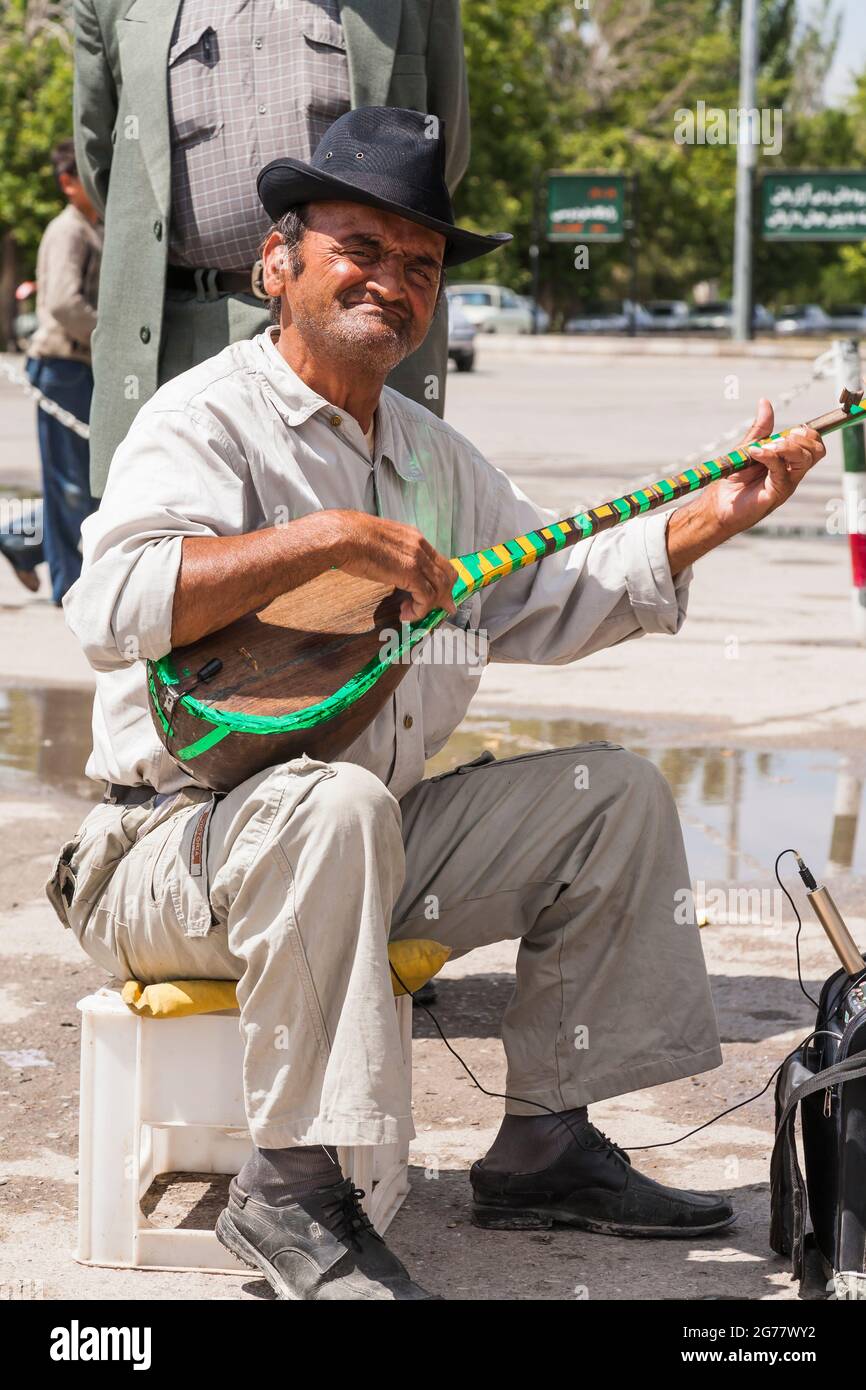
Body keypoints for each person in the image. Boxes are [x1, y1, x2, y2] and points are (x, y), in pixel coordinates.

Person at [55, 108, 825, 1301]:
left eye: (418, 265)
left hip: (354, 838)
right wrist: (318, 542)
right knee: (333, 805)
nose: (393, 281)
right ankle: (293, 1187)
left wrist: (708, 520)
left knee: (605, 797)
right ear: (281, 262)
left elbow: (548, 590)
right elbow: (107, 602)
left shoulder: (429, 452)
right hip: (167, 854)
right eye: (360, 247)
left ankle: (541, 1145)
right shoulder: (203, 418)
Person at [73, 0, 469, 498]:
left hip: (352, 324)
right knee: (167, 549)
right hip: (175, 331)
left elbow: (436, 164)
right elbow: (104, 170)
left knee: (374, 551)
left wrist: (338, 266)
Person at [26, 141, 101, 604]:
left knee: (84, 482)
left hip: (81, 366)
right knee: (70, 483)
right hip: (62, 366)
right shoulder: (68, 230)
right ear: (68, 182)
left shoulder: (95, 226)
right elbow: (64, 303)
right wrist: (111, 337)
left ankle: (18, 541)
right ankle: (69, 587)